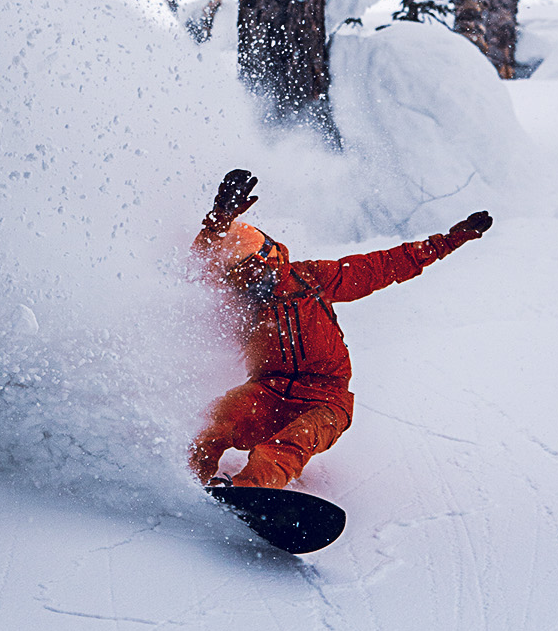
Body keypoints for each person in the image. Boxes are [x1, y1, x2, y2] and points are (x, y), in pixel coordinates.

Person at [189, 169, 493, 491]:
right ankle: (186, 480)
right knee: (216, 420)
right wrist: (219, 219)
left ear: (271, 258)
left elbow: (383, 266)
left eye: (254, 272)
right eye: (240, 278)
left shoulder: (311, 279)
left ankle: (252, 491)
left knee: (287, 445)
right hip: (267, 392)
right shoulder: (235, 303)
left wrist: (448, 241)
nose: (249, 285)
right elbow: (192, 269)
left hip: (325, 398)